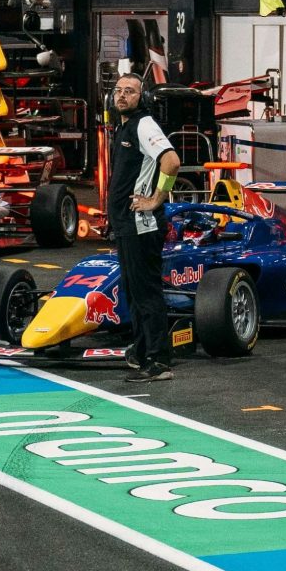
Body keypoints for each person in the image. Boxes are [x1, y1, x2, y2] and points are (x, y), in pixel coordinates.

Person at [106, 73, 181, 381]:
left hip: (142, 224)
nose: (122, 95)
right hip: (126, 224)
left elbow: (172, 161)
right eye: (119, 90)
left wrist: (155, 199)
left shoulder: (143, 124)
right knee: (133, 291)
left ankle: (159, 360)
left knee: (146, 292)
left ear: (142, 97)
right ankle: (140, 351)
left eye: (130, 91)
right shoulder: (122, 126)